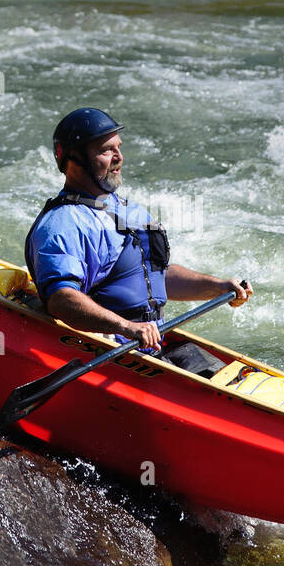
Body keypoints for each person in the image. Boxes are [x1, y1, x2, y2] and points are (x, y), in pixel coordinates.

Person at [25, 108, 252, 371]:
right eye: (106, 150)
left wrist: (219, 286)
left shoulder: (124, 209)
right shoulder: (63, 224)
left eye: (118, 148)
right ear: (74, 160)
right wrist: (127, 327)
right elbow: (61, 300)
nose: (118, 157)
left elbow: (156, 276)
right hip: (110, 352)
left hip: (150, 343)